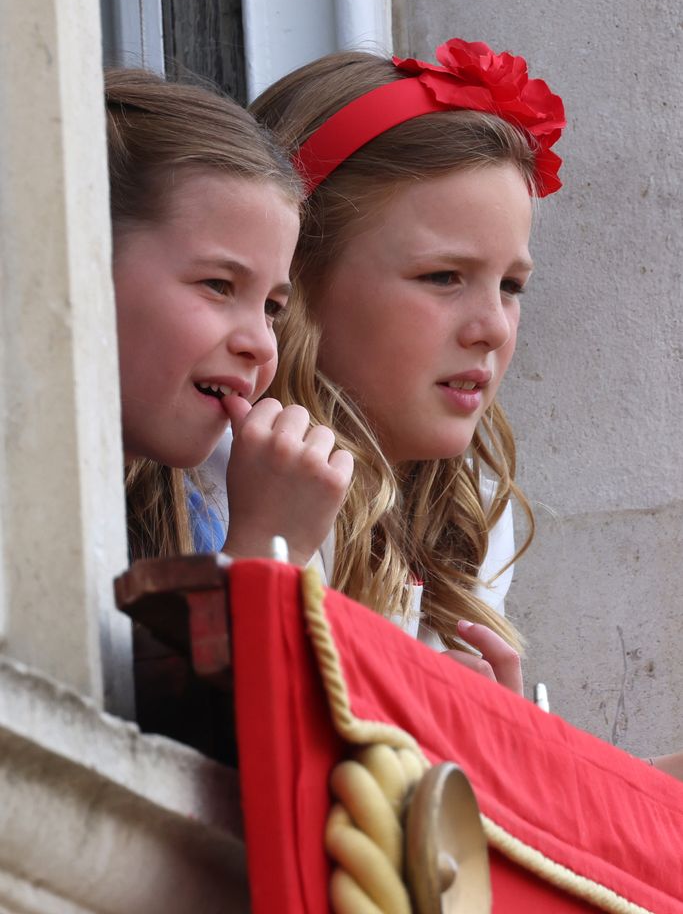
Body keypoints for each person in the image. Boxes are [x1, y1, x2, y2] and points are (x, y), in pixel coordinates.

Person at [243, 38, 566, 695]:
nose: (492, 328)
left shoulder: (468, 506)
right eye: (443, 276)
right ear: (296, 281)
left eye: (511, 286)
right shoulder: (236, 474)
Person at [106, 67, 353, 569]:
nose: (261, 345)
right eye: (218, 285)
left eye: (272, 308)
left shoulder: (191, 517)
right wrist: (266, 553)